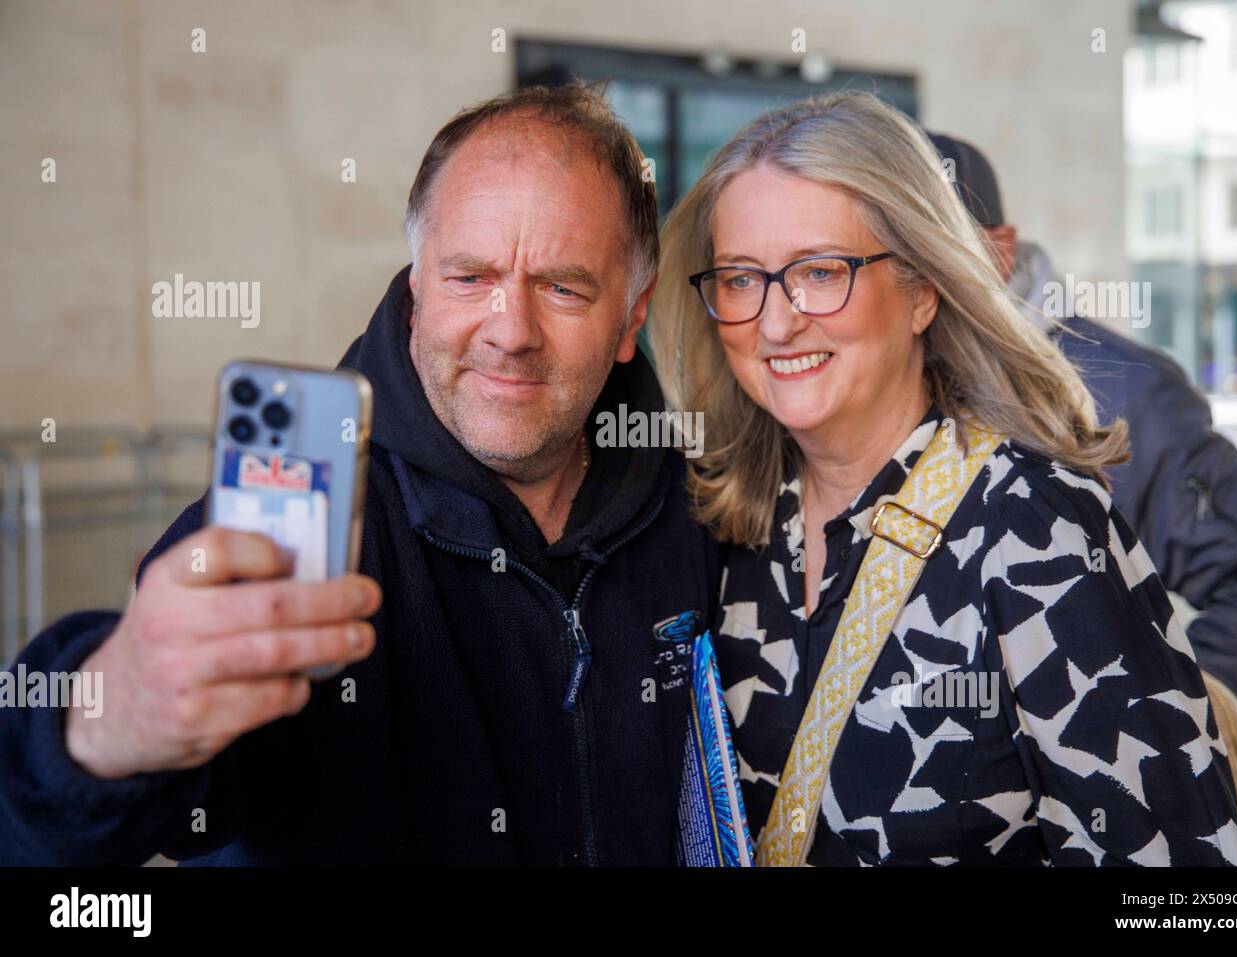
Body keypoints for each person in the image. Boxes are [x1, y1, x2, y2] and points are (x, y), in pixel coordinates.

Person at [0, 84, 721, 865]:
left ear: (631, 316)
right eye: (468, 277)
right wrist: (108, 721)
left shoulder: (695, 508)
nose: (510, 332)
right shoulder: (300, 508)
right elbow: (44, 837)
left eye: (562, 286)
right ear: (416, 288)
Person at [649, 91, 1237, 865]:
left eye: (822, 270)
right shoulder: (722, 516)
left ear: (923, 288)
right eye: (739, 278)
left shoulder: (1035, 527)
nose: (774, 322)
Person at [927, 130, 1237, 838]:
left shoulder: (1123, 391)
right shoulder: (853, 394)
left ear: (1000, 250)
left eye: (931, 247)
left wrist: (1195, 711)